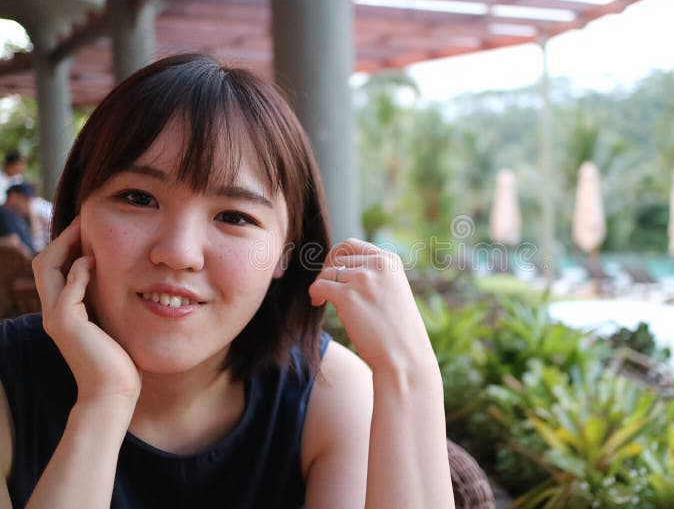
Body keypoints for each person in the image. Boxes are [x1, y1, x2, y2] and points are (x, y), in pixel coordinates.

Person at [0, 54, 454, 508]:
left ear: (286, 253)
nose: (179, 252)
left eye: (234, 216)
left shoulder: (327, 394)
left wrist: (409, 373)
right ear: (77, 215)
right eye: (138, 198)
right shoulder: (7, 383)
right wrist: (103, 401)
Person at [0, 182, 36, 255]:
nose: (28, 203)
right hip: (19, 261)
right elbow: (12, 239)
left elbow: (34, 237)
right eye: (25, 199)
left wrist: (31, 215)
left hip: (31, 258)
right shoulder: (4, 212)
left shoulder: (18, 215)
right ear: (13, 196)